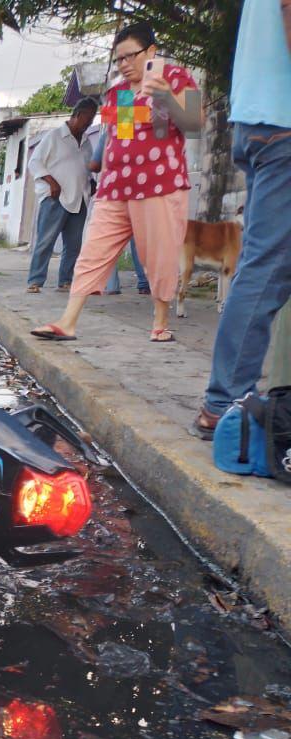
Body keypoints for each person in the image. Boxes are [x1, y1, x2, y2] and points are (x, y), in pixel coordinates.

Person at [30, 23, 203, 343]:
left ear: (151, 51)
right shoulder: (119, 92)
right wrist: (104, 176)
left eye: (130, 56)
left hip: (160, 184)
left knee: (159, 254)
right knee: (92, 251)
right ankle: (68, 321)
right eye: (118, 58)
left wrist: (163, 96)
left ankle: (161, 320)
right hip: (117, 185)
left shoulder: (177, 77)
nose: (123, 64)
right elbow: (120, 139)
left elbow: (192, 124)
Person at [195, 0, 291, 439]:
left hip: (257, 121)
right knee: (266, 267)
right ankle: (225, 401)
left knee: (264, 264)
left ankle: (228, 398)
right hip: (281, 124)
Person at [25, 98, 100, 293]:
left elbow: (86, 168)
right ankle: (35, 281)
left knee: (73, 245)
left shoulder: (85, 142)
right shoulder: (54, 136)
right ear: (77, 115)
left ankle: (65, 281)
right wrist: (51, 181)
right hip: (55, 198)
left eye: (92, 120)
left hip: (79, 199)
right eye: (88, 119)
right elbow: (34, 163)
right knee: (46, 241)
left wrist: (91, 182)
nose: (89, 124)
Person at [89, 128, 152, 295]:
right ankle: (145, 282)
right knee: (139, 239)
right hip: (142, 190)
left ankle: (108, 285)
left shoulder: (111, 131)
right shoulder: (149, 131)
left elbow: (94, 165)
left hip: (114, 189)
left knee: (107, 241)